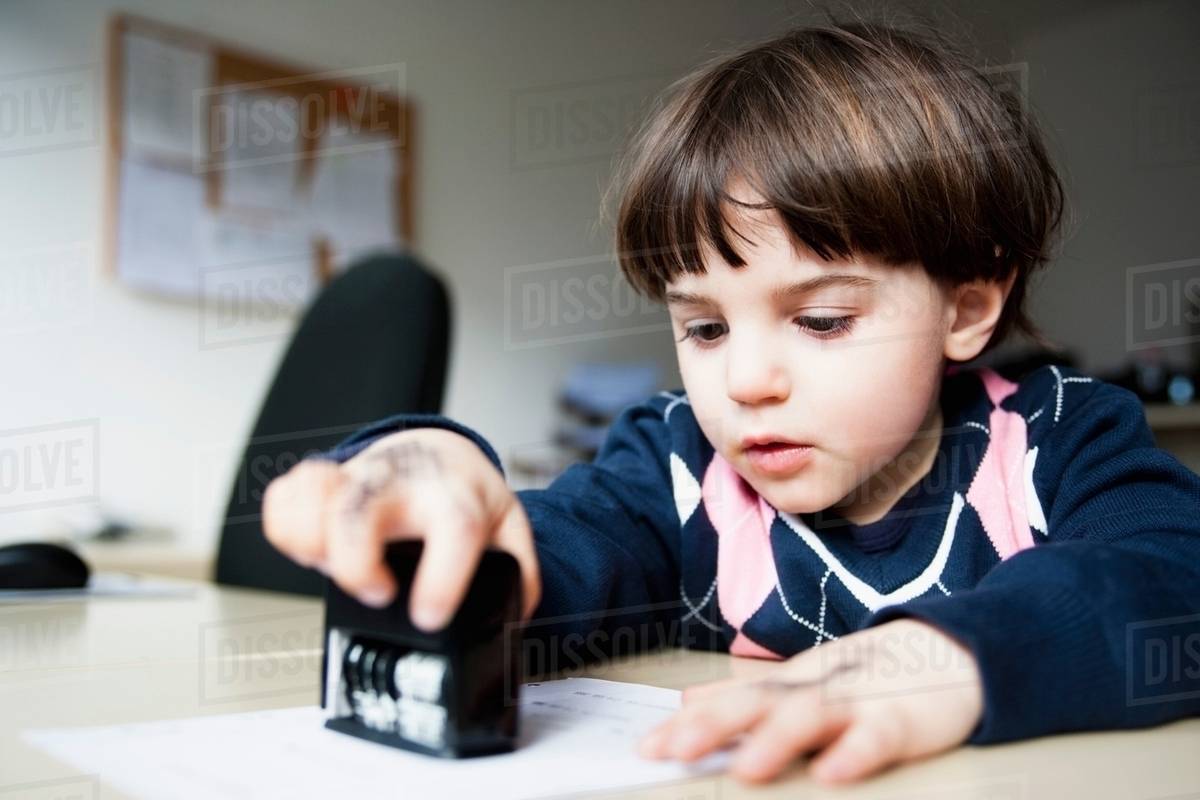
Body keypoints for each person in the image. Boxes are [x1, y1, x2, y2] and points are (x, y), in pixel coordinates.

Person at [262, 19, 1200, 786]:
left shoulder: (1057, 437)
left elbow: (1176, 578)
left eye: (822, 319)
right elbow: (563, 557)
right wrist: (450, 516)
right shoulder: (677, 461)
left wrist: (949, 660)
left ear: (966, 308)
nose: (746, 381)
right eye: (706, 328)